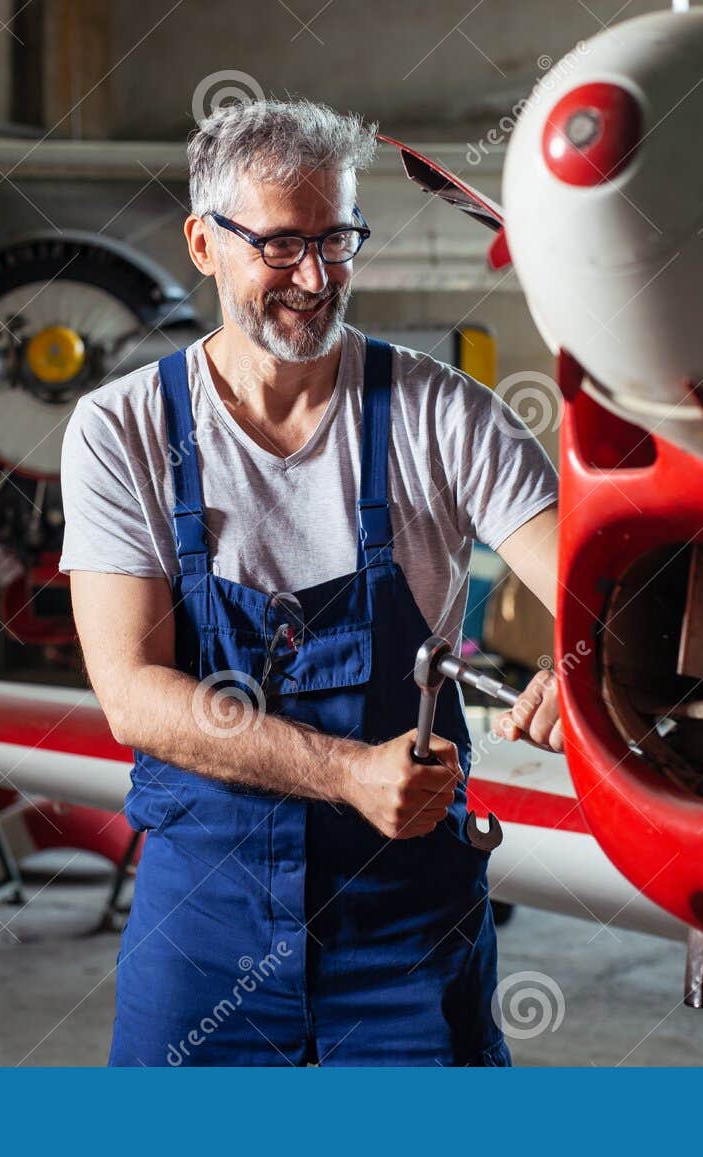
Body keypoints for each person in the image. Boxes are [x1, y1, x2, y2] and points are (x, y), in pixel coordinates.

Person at [60, 97, 563, 1066]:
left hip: (407, 922)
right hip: (204, 915)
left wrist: (583, 667)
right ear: (203, 243)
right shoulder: (122, 429)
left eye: (338, 239)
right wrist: (346, 771)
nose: (316, 278)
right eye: (282, 245)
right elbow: (132, 694)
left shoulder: (440, 415)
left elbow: (597, 598)